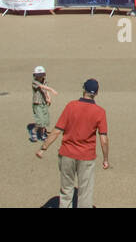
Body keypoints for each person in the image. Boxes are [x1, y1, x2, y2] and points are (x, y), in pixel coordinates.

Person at [36, 78, 110, 208]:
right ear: (97, 93)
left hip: (67, 154)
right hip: (86, 156)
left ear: (83, 90)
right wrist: (105, 159)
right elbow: (103, 139)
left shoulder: (71, 106)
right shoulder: (100, 112)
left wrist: (43, 148)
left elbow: (57, 130)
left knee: (66, 191)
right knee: (85, 193)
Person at [31, 65, 58, 143]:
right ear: (35, 76)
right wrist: (52, 89)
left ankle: (42, 134)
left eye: (41, 75)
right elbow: (42, 87)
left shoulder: (45, 82)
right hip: (37, 103)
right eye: (38, 76)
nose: (40, 77)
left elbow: (45, 91)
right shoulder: (34, 82)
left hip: (44, 103)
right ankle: (34, 131)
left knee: (45, 119)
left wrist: (48, 98)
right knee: (40, 120)